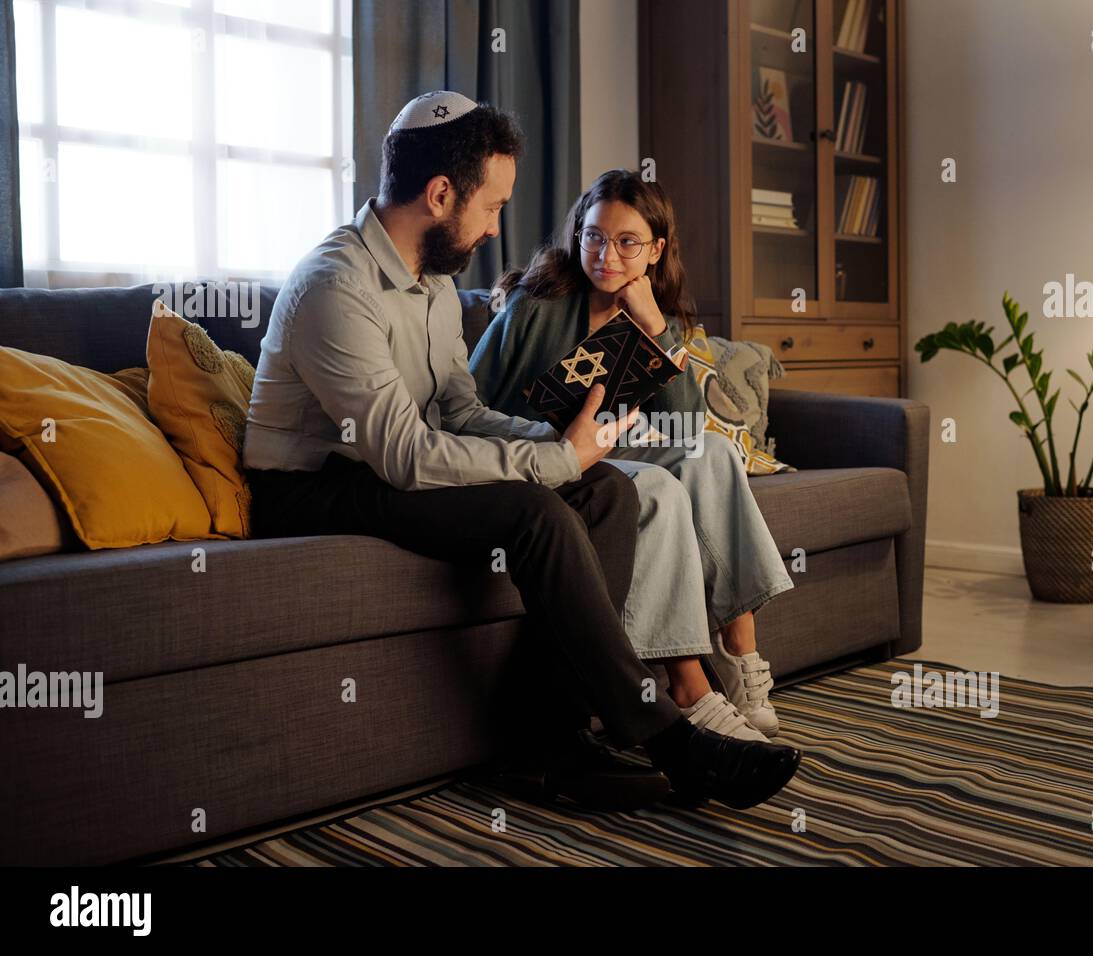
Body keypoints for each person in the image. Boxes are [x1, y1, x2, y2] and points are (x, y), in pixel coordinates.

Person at [239, 91, 800, 811]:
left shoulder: (432, 282)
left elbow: (459, 410)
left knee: (610, 489)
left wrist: (567, 446)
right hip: (316, 487)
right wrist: (555, 461)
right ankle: (669, 738)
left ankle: (554, 744)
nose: (497, 227)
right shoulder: (335, 288)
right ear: (441, 195)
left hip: (385, 465)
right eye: (492, 205)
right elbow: (407, 455)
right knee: (538, 510)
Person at [470, 169, 794, 740]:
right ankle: (684, 689)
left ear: (655, 249)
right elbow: (466, 401)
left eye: (627, 242)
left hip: (622, 453)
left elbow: (690, 425)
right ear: (578, 236)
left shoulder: (657, 314)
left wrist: (653, 328)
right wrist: (545, 434)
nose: (606, 254)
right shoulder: (532, 305)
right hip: (549, 460)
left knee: (711, 454)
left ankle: (742, 657)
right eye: (593, 236)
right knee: (657, 482)